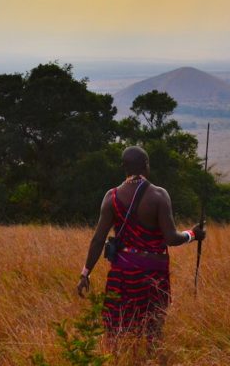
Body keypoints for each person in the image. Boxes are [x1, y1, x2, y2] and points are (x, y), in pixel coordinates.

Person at [76, 145, 206, 355]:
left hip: (122, 273)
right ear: (146, 166)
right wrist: (193, 234)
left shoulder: (111, 197)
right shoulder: (159, 195)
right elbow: (172, 238)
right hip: (154, 274)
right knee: (153, 326)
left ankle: (121, 359)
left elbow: (98, 239)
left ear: (123, 167)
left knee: (118, 328)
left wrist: (85, 273)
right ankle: (151, 359)